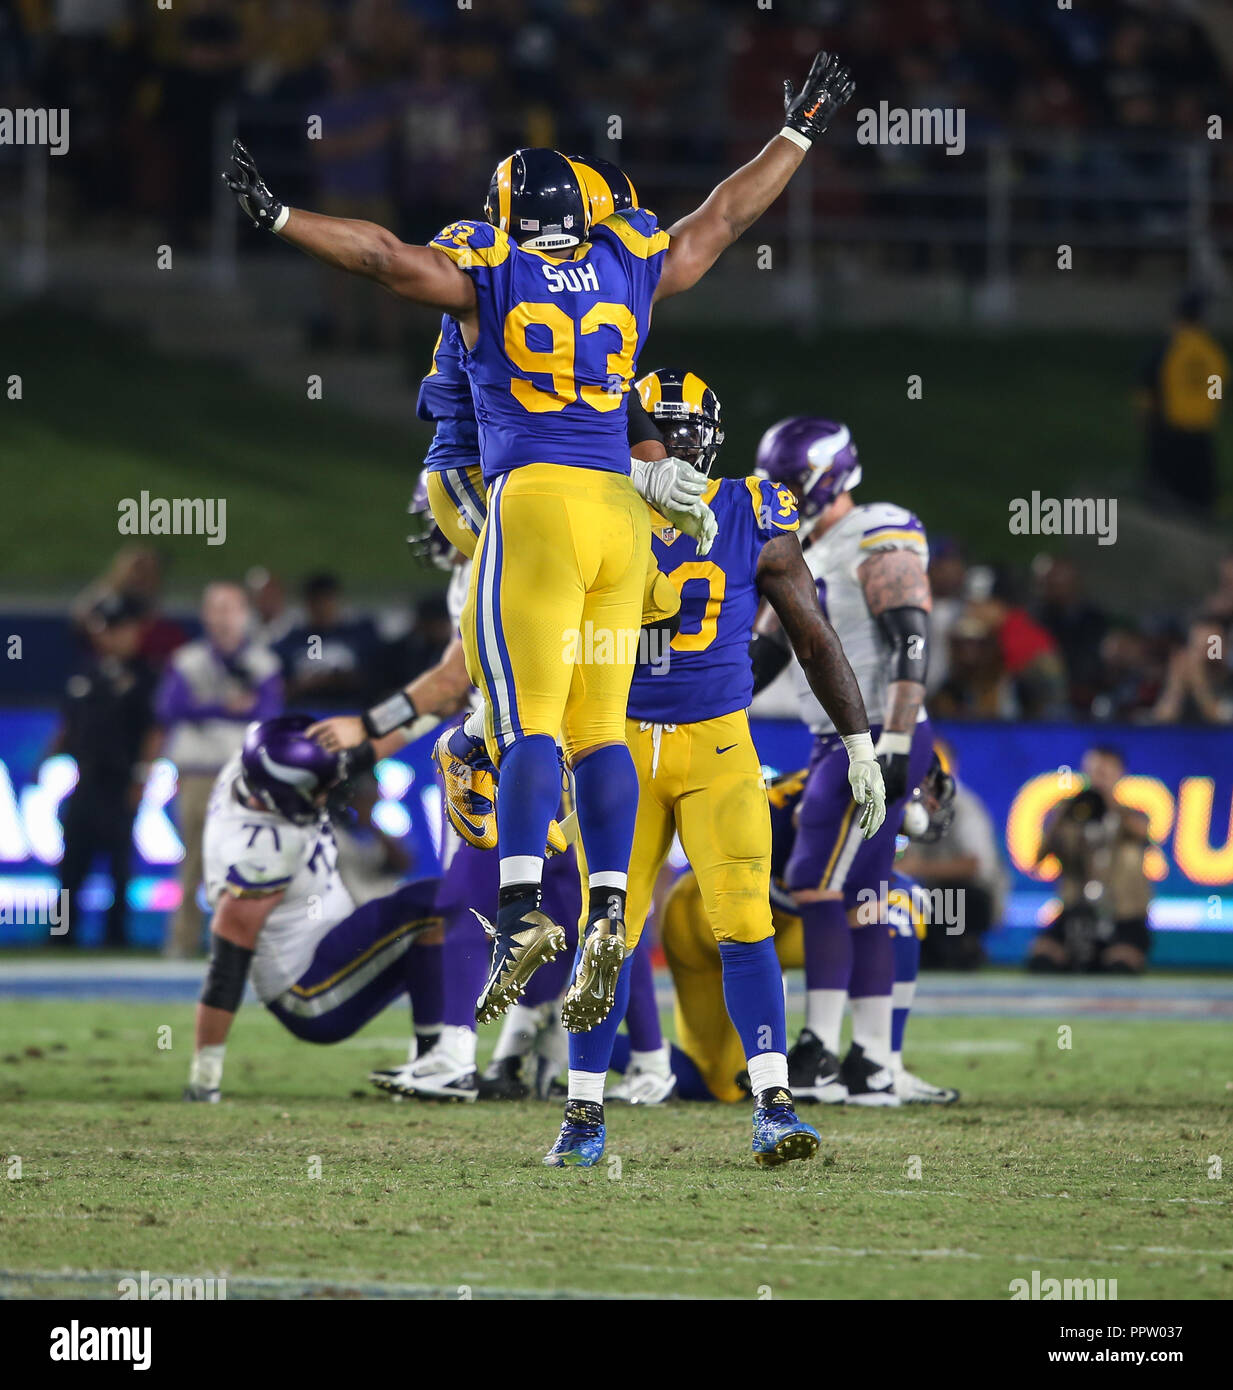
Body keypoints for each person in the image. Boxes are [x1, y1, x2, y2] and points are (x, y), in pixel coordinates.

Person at [220, 51, 860, 1049]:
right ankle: (610, 903)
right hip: (616, 515)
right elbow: (723, 219)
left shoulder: (488, 263)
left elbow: (385, 257)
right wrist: (800, 133)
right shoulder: (628, 257)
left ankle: (523, 903)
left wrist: (278, 219)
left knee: (522, 719)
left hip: (525, 496)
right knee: (598, 727)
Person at [542, 371, 884, 1169]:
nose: (682, 446)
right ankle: (593, 1113)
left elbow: (809, 630)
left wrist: (861, 742)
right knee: (622, 936)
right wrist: (859, 741)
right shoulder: (724, 506)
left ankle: (764, 1106)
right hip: (633, 739)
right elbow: (813, 634)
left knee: (727, 926)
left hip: (675, 742)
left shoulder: (606, 502)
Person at [750, 417, 935, 1104]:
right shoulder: (801, 545)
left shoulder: (875, 531)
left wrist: (896, 738)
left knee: (813, 879)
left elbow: (911, 636)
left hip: (874, 735)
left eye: (790, 482)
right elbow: (764, 652)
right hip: (838, 739)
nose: (782, 494)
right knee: (861, 897)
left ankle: (821, 1051)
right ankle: (871, 1061)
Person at [183, 717, 442, 1102]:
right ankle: (439, 1064)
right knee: (434, 904)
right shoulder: (260, 852)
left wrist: (432, 709)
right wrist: (205, 1079)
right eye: (317, 791)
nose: (328, 795)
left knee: (442, 907)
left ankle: (438, 1061)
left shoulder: (255, 768)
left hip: (334, 941)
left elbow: (358, 751)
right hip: (309, 993)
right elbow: (226, 968)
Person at [156, 583, 283, 957]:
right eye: (216, 609)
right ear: (205, 615)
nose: (224, 617)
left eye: (231, 608)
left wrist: (209, 706)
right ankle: (181, 942)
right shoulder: (188, 659)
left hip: (245, 772)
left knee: (249, 858)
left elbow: (269, 712)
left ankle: (240, 943)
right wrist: (226, 707)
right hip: (198, 771)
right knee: (194, 858)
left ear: (244, 614)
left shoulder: (262, 661)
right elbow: (170, 707)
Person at [52, 593, 161, 948]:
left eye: (119, 628)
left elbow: (154, 731)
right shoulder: (85, 671)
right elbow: (69, 724)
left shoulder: (145, 676)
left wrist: (142, 777)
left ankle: (117, 935)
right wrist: (46, 759)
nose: (112, 636)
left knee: (119, 864)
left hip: (121, 780)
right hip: (85, 778)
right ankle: (61, 933)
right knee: (72, 863)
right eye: (107, 628)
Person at [1027, 746, 1154, 974]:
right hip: (1076, 914)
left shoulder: (1132, 815)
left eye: (1105, 772)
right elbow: (1038, 860)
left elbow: (1145, 837)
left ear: (1120, 774)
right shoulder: (1071, 815)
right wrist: (1064, 815)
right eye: (1094, 771)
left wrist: (1109, 805)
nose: (1099, 778)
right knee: (1042, 961)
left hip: (1122, 916)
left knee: (1119, 967)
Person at [1138, 289, 1228, 514]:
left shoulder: (1165, 351)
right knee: (1201, 510)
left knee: (1165, 509)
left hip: (1169, 438)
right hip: (1202, 442)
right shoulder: (1213, 354)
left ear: (1177, 317)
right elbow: (1215, 396)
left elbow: (1147, 398)